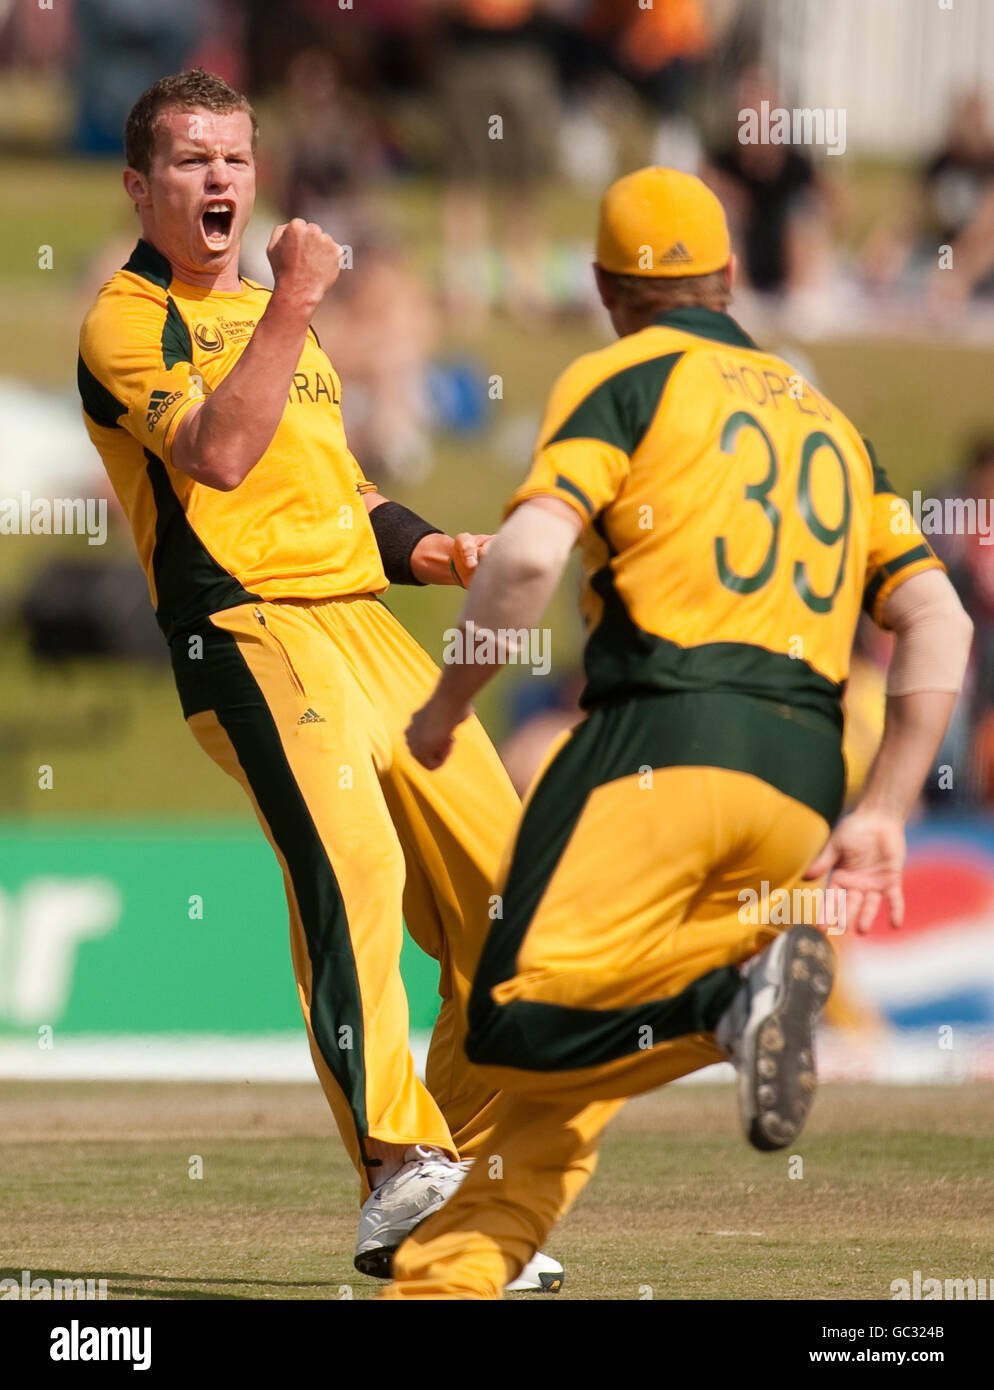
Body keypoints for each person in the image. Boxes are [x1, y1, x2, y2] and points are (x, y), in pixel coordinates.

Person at [386, 167, 974, 1298]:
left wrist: (448, 704)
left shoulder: (620, 375)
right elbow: (934, 616)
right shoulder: (826, 420)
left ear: (607, 288)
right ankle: (444, 1283)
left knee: (510, 1021)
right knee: (561, 1097)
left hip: (655, 745)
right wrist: (887, 809)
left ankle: (722, 998)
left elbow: (520, 559)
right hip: (802, 778)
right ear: (729, 277)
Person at [76, 67, 560, 1291]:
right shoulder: (129, 321)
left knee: (517, 907)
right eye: (190, 161)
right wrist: (292, 294)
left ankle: (449, 1195)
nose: (221, 178)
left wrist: (443, 550)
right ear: (142, 188)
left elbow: (340, 496)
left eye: (235, 157)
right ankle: (398, 1157)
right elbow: (225, 457)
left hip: (363, 625)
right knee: (354, 861)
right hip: (246, 630)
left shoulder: (279, 320)